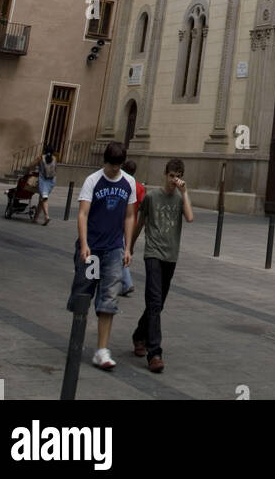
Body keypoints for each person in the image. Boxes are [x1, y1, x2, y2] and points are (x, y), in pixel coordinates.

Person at [66, 141, 137, 371]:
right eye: (111, 166)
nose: (114, 170)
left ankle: (101, 350)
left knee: (109, 298)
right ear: (105, 162)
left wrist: (127, 247)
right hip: (92, 251)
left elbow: (129, 216)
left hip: (113, 250)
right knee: (84, 293)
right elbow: (83, 214)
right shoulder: (93, 180)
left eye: (117, 166)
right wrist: (84, 244)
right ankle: (77, 339)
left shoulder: (129, 182)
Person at [130, 158, 193, 374]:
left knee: (158, 304)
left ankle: (139, 335)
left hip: (171, 255)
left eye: (178, 176)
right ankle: (154, 352)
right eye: (172, 175)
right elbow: (139, 224)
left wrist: (184, 193)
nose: (174, 180)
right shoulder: (151, 197)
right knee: (155, 300)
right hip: (153, 254)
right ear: (165, 174)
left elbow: (191, 218)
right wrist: (129, 248)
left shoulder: (179, 198)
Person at [120, 159, 145, 295]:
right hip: (133, 223)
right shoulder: (139, 187)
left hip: (120, 223)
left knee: (120, 251)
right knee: (123, 250)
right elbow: (142, 206)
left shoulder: (123, 183)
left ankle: (127, 282)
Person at [32, 146, 57, 225]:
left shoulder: (40, 157)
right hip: (52, 181)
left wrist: (28, 170)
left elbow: (31, 165)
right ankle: (35, 218)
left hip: (43, 180)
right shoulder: (54, 158)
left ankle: (46, 216)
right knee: (42, 199)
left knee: (44, 198)